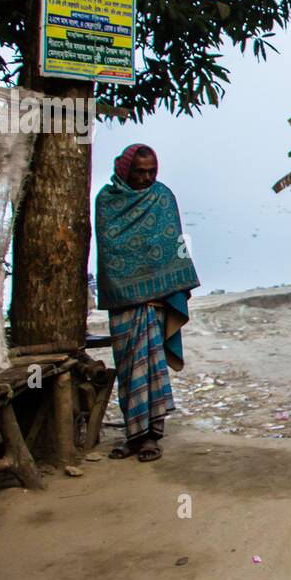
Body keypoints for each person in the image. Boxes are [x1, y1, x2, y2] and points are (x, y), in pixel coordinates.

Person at [94, 144, 200, 462]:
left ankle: (152, 435)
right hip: (124, 303)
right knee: (129, 370)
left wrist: (166, 286)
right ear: (126, 170)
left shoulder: (162, 197)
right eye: (140, 172)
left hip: (155, 302)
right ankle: (133, 434)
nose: (147, 177)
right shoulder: (107, 200)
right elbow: (111, 248)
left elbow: (170, 243)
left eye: (152, 170)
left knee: (152, 368)